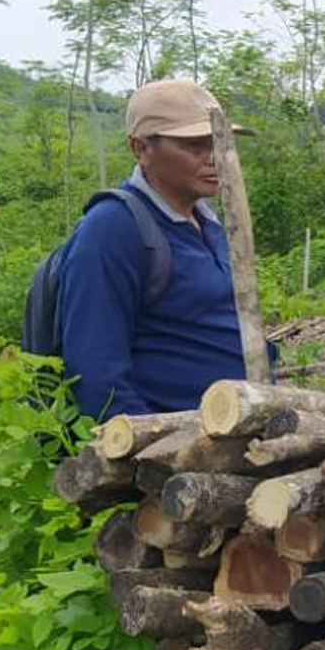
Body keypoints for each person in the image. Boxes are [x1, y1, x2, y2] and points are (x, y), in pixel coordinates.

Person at [60, 79, 255, 418]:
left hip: (237, 422)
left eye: (219, 142)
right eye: (195, 145)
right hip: (177, 444)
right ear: (141, 149)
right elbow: (95, 372)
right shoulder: (113, 228)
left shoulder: (209, 222)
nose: (215, 157)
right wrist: (148, 450)